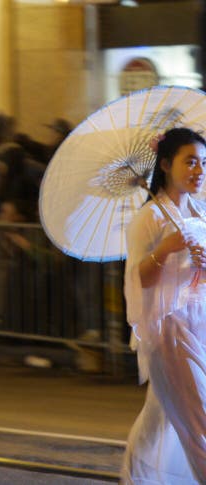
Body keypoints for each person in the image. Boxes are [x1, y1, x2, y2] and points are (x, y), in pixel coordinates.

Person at [122, 127, 206, 483]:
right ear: (167, 165)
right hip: (170, 328)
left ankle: (138, 478)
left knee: (162, 418)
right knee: (200, 415)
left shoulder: (199, 212)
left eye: (204, 163)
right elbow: (137, 278)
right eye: (190, 162)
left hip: (200, 321)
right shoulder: (150, 217)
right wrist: (165, 249)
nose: (199, 171)